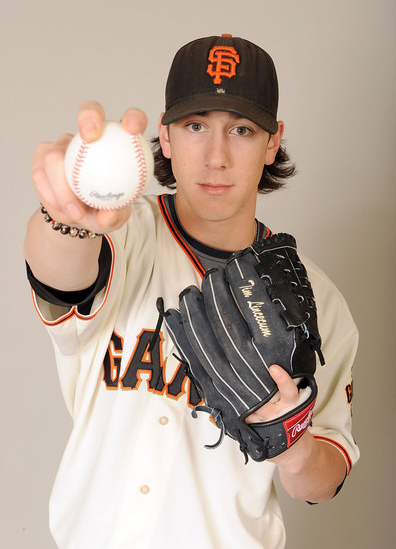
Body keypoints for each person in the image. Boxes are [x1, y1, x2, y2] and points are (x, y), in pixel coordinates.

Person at [24, 34, 359, 549]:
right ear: (165, 134)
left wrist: (292, 444)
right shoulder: (118, 234)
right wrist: (65, 216)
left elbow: (326, 479)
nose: (216, 156)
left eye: (242, 130)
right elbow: (58, 272)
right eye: (195, 125)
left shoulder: (317, 299)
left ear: (273, 142)